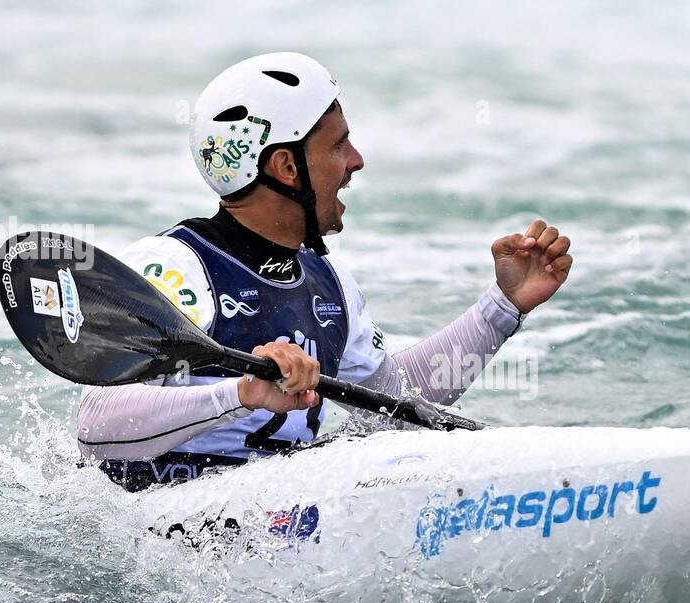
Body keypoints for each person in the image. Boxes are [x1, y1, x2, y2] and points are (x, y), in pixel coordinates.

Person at [76, 52, 573, 491]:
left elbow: (390, 403)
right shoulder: (178, 269)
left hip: (275, 523)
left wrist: (503, 306)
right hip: (157, 531)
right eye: (338, 146)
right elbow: (97, 426)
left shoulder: (328, 283)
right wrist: (242, 394)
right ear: (287, 168)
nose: (356, 161)